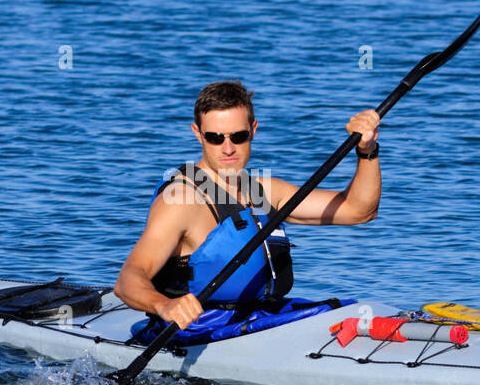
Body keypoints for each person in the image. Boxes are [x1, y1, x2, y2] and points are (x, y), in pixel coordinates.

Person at [114, 80, 381, 331]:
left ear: (253, 129)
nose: (228, 148)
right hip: (197, 329)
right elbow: (129, 279)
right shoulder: (181, 201)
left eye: (238, 136)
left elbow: (359, 211)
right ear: (198, 134)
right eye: (215, 138)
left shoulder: (265, 191)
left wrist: (366, 151)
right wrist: (164, 305)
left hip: (259, 318)